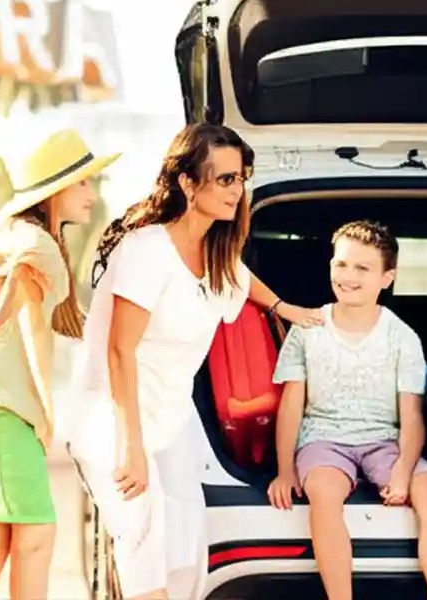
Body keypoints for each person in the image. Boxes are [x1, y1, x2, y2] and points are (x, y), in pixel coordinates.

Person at [65, 124, 323, 600]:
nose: (237, 189)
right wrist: (131, 446)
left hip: (172, 412)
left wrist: (283, 309)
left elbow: (242, 280)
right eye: (224, 179)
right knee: (144, 532)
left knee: (184, 538)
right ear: (187, 183)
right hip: (115, 411)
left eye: (241, 178)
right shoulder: (147, 251)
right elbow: (119, 352)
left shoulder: (216, 253)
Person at [0, 128, 119, 600]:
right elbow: (15, 285)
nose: (91, 194)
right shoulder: (33, 242)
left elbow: (62, 319)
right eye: (83, 183)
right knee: (34, 535)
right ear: (56, 189)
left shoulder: (32, 237)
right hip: (1, 405)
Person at [267, 220, 427, 600]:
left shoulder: (402, 336)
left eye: (363, 268)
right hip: (323, 439)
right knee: (323, 493)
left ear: (387, 278)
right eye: (341, 265)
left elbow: (411, 417)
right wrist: (285, 469)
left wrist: (403, 472)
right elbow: (291, 405)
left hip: (384, 441)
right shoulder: (307, 329)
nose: (348, 276)